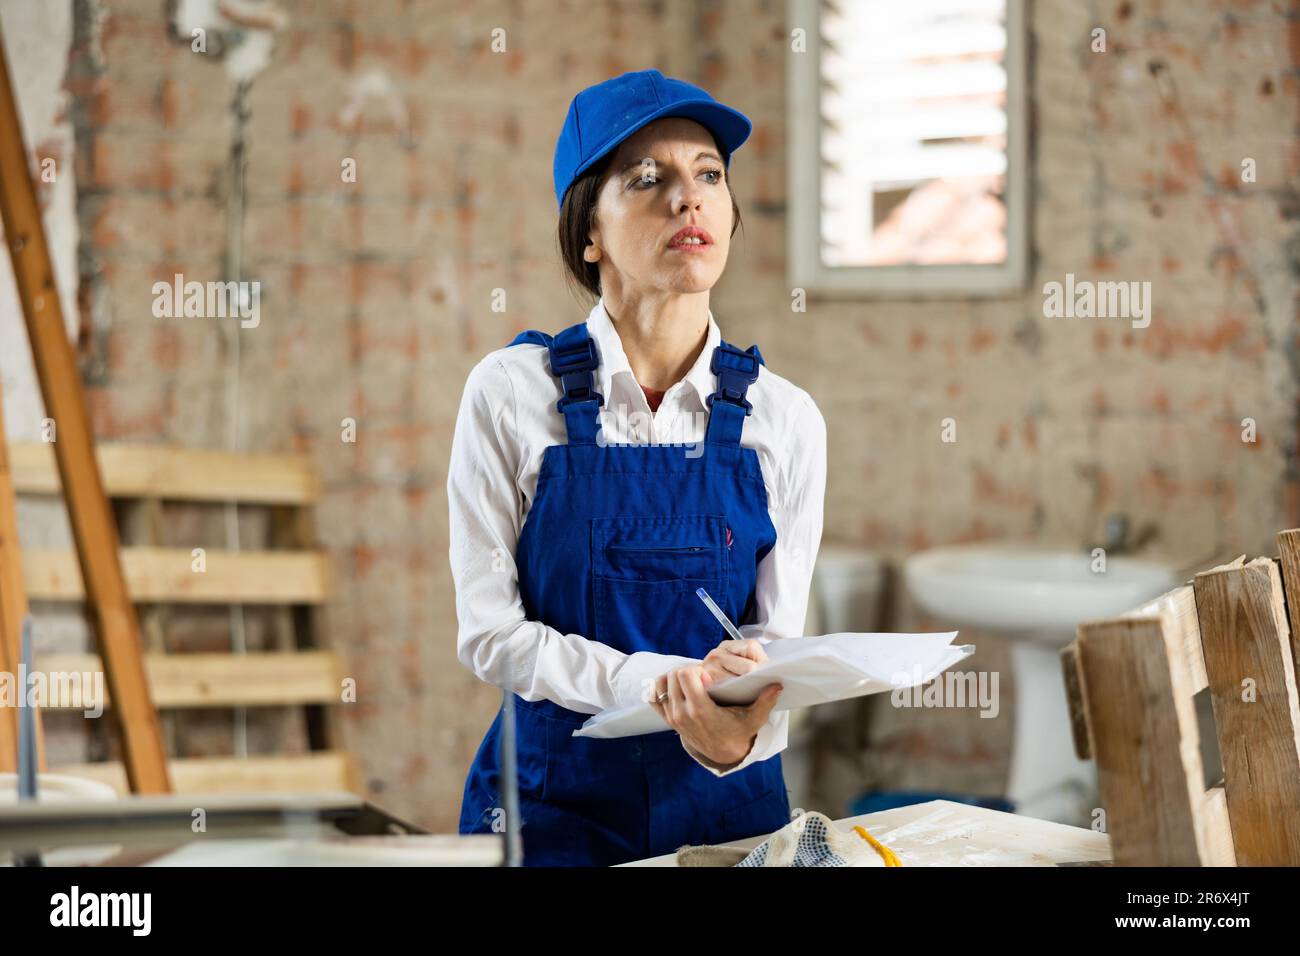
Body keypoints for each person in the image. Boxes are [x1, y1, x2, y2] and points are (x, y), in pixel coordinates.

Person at [450, 68, 827, 866]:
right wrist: (655, 685)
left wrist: (730, 738)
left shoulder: (786, 420)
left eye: (709, 175)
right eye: (647, 179)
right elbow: (491, 636)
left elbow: (774, 645)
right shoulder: (511, 394)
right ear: (588, 232)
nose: (688, 199)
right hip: (553, 815)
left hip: (731, 813)